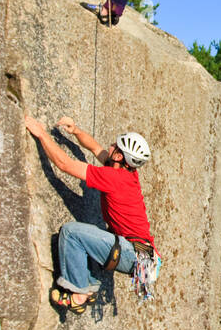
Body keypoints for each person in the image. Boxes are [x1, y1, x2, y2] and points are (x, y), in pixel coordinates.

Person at [24, 113, 162, 312]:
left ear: (119, 156)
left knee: (71, 233)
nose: (110, 145)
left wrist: (42, 134)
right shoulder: (127, 173)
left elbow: (64, 164)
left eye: (115, 145)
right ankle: (88, 285)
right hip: (142, 254)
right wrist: (76, 131)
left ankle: (79, 294)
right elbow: (96, 148)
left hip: (134, 254)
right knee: (90, 233)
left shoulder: (114, 178)